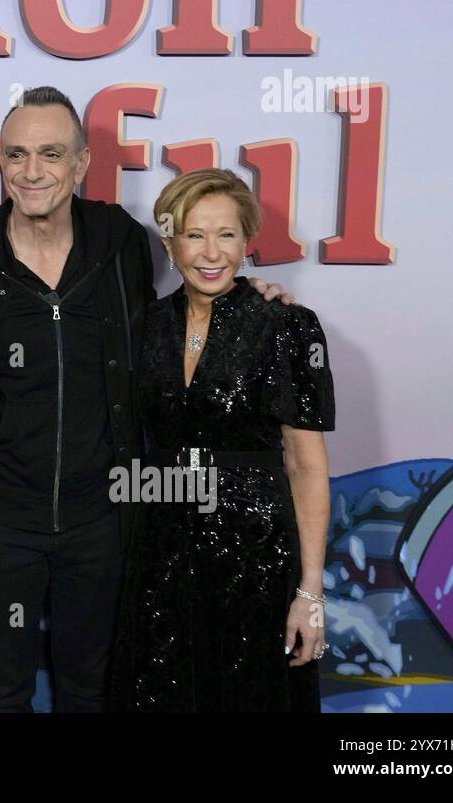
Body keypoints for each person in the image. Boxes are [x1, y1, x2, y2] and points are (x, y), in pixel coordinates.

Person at [0, 86, 293, 713]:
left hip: (104, 517)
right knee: (2, 689)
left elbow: (188, 302)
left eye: (50, 153)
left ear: (81, 164)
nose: (32, 170)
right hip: (0, 521)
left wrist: (248, 298)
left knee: (91, 688)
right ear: (1, 166)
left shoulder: (121, 242)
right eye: (16, 155)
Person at [109, 168, 334, 712]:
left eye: (226, 235)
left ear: (246, 241)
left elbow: (306, 466)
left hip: (255, 556)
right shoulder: (145, 327)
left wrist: (309, 591)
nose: (211, 252)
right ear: (169, 243)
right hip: (159, 552)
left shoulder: (286, 326)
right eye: (194, 234)